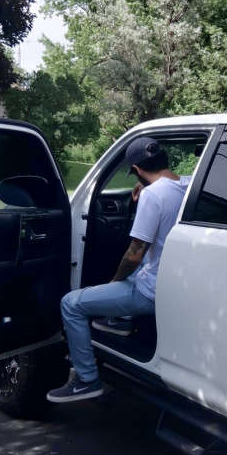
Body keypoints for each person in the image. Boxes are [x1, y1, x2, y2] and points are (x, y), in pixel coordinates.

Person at [47, 137, 191, 402]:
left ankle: (86, 379)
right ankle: (118, 320)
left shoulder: (152, 195)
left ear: (136, 169)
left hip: (152, 291)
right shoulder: (190, 184)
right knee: (138, 271)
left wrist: (115, 282)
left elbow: (135, 253)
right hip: (178, 278)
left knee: (70, 303)